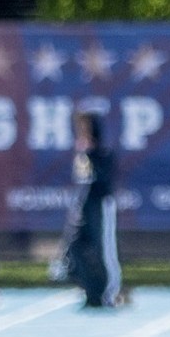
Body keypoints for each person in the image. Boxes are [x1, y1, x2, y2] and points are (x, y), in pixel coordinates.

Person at [59, 110, 122, 309]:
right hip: (83, 206)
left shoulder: (102, 152)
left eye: (86, 126)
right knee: (75, 245)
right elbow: (80, 183)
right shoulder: (80, 154)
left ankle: (109, 292)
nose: (82, 131)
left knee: (104, 249)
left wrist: (91, 154)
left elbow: (104, 179)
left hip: (101, 204)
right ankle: (90, 290)